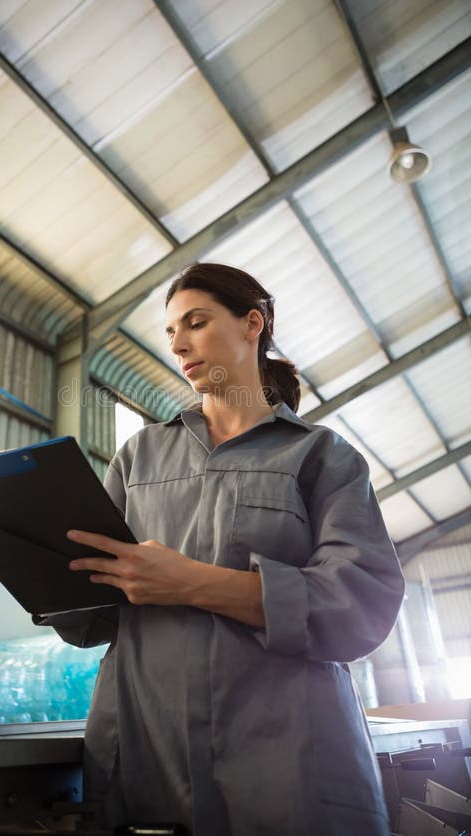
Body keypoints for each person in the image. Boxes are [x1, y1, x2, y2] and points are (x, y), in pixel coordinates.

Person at [37, 262, 405, 835]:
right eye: (171, 332)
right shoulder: (138, 459)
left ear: (252, 323)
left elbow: (359, 605)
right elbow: (88, 617)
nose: (179, 343)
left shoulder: (322, 458)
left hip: (287, 761)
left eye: (196, 322)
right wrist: (30, 551)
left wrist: (190, 582)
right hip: (145, 751)